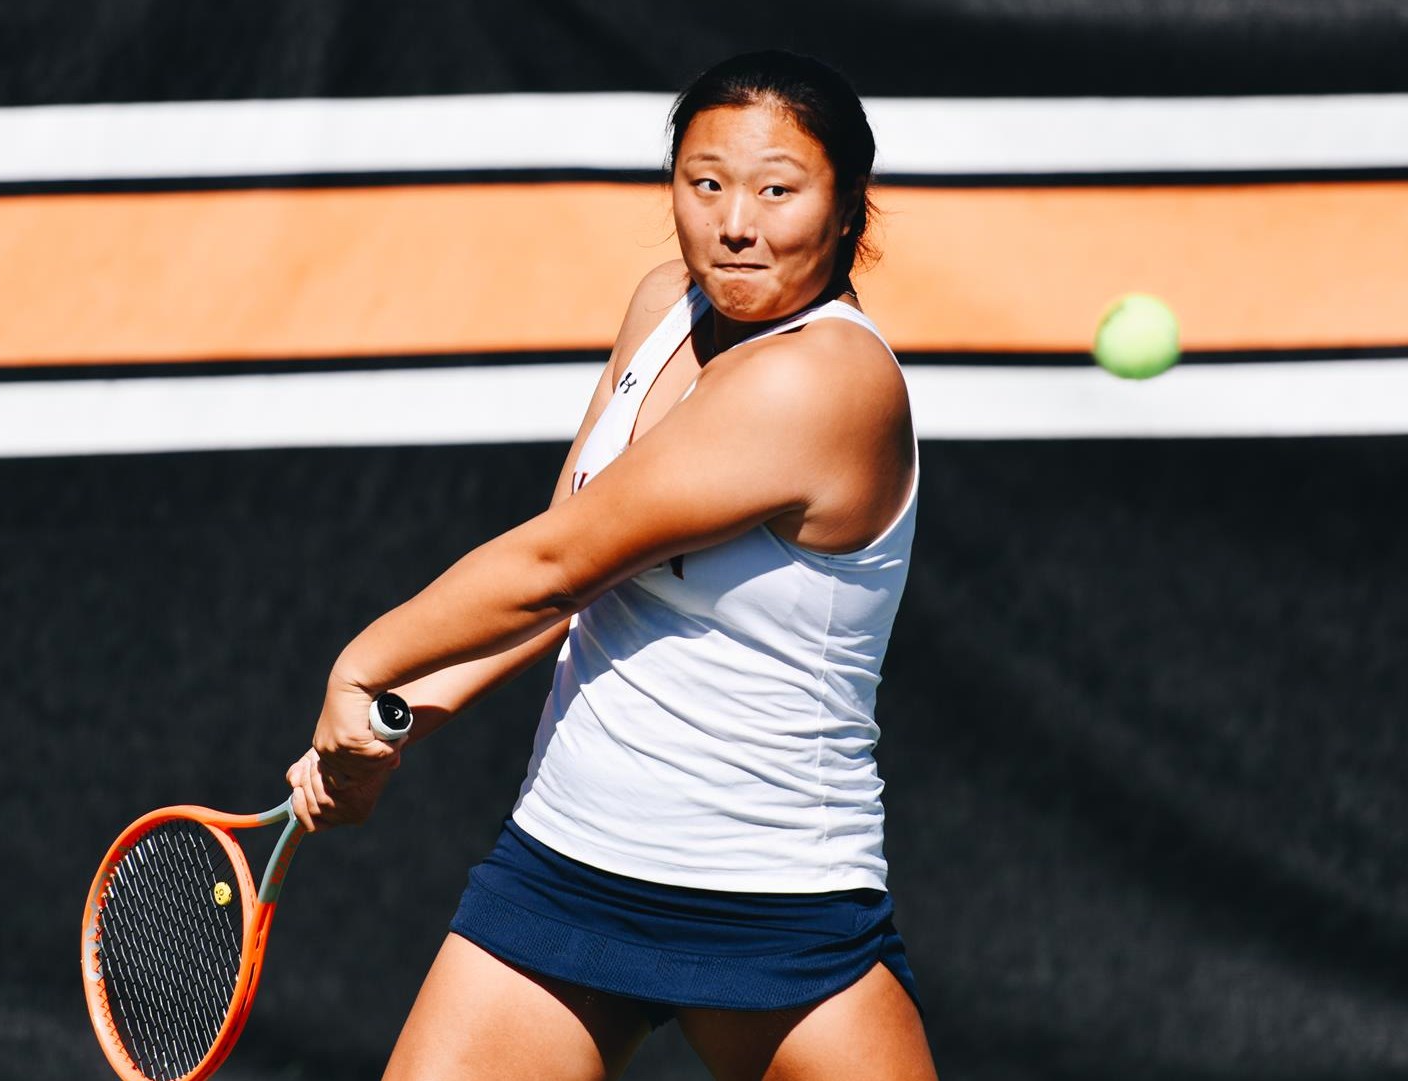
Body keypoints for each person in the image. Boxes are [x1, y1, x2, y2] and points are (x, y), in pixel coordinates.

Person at [286, 50, 936, 1081]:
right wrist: (401, 714)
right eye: (705, 181)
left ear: (849, 208)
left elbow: (551, 561)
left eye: (778, 188)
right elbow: (572, 578)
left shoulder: (826, 382)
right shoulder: (661, 305)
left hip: (774, 908)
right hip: (565, 873)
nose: (736, 222)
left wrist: (363, 665)